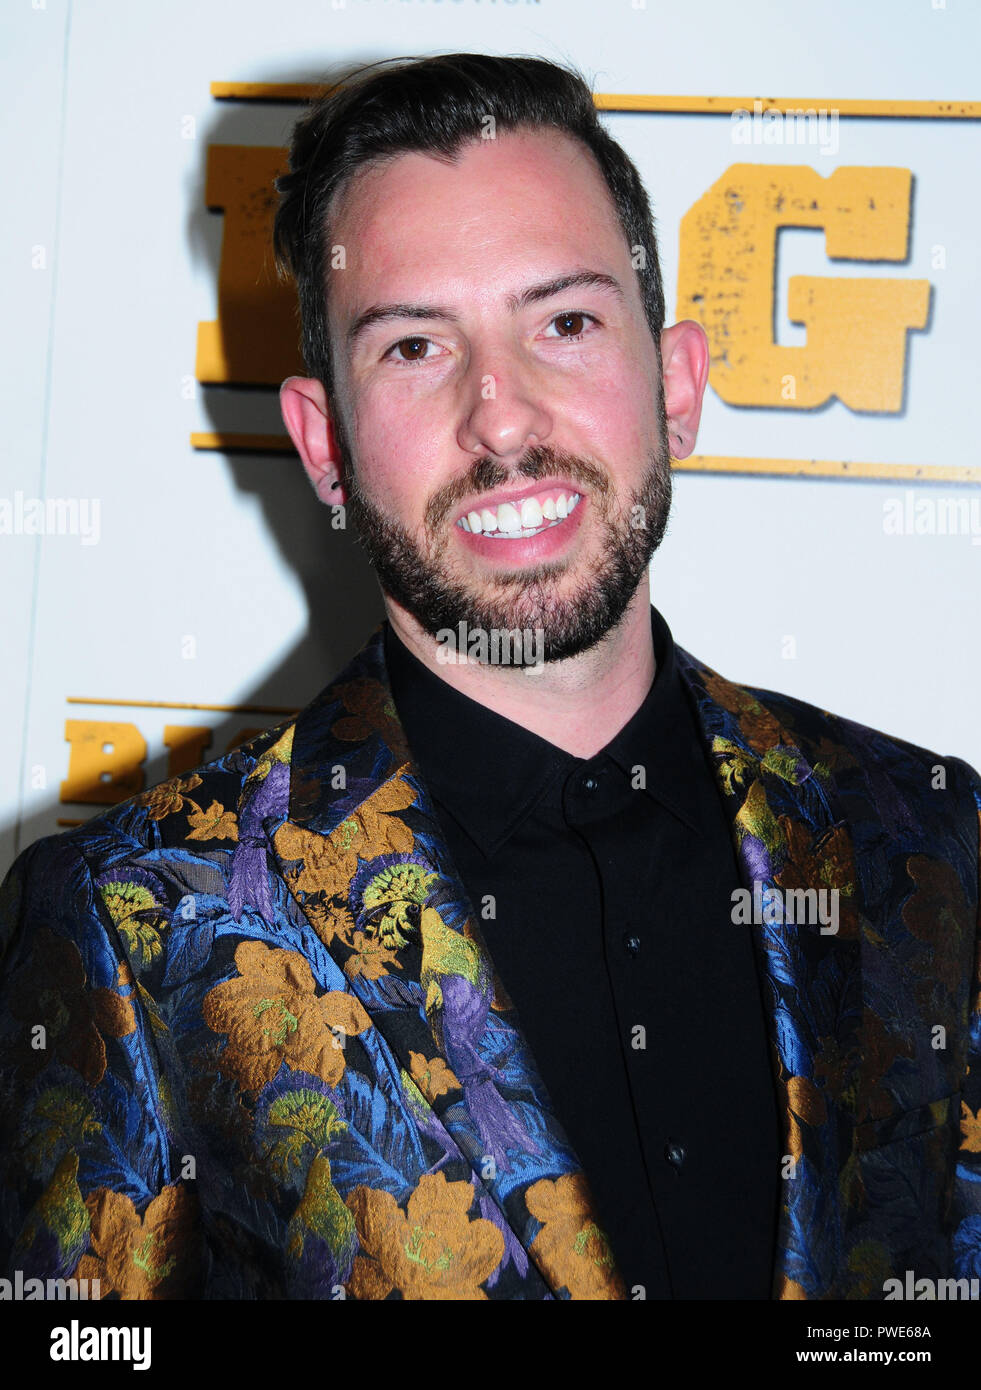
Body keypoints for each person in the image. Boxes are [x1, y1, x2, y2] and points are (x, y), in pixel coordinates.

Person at [0, 53, 978, 1302]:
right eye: (414, 346)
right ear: (324, 444)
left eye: (564, 322)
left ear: (677, 385)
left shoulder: (925, 841)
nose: (502, 419)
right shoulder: (136, 919)